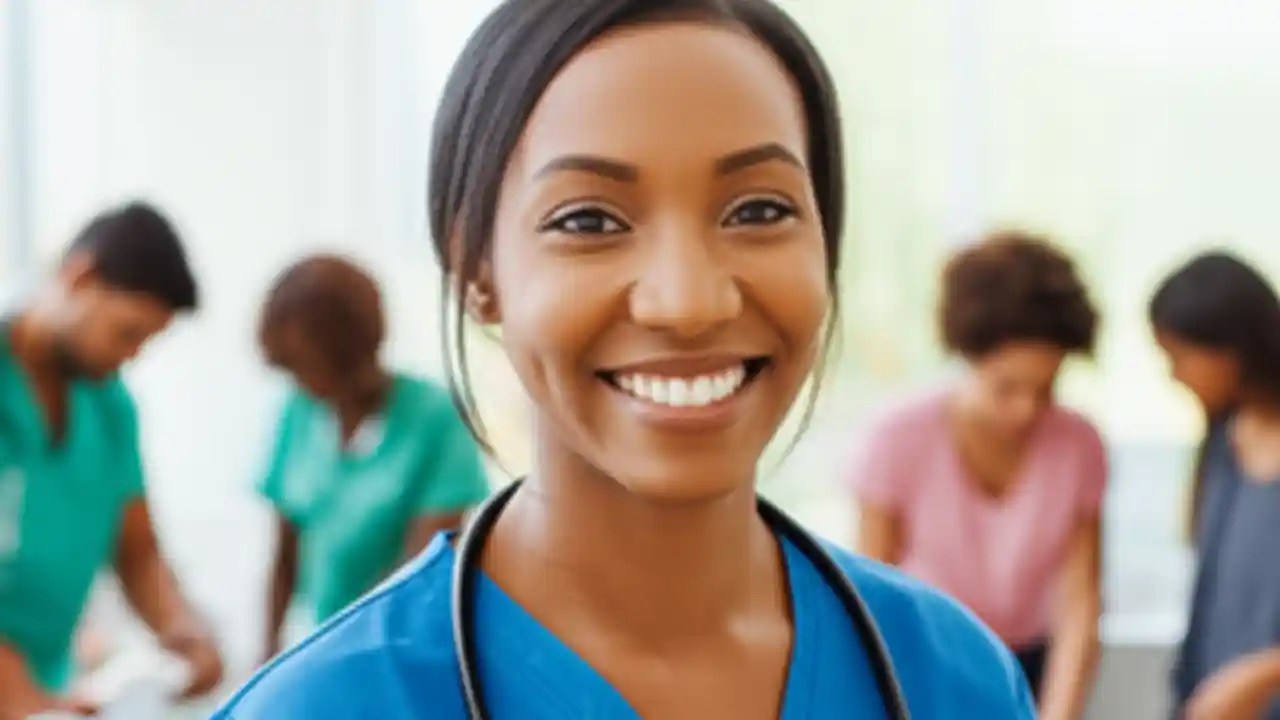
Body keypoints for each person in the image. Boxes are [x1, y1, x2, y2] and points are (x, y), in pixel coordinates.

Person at [214, 1, 1034, 717]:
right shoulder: (323, 707)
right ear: (476, 271)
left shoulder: (955, 680)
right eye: (588, 221)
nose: (687, 301)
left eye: (758, 208)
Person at [850, 233, 1105, 719]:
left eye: (1046, 388)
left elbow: (1079, 605)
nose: (1027, 410)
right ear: (968, 358)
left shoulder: (1079, 445)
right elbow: (869, 599)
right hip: (924, 665)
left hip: (1033, 666)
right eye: (1007, 387)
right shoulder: (897, 439)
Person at [0, 202, 223, 719]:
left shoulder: (110, 407)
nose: (132, 356)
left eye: (146, 341)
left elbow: (137, 550)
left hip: (49, 693)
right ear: (80, 276)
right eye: (127, 332)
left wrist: (182, 629)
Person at [256, 255, 490, 660]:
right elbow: (285, 551)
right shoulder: (299, 411)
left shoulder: (434, 420)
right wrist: (266, 661)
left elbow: (421, 577)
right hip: (320, 643)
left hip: (398, 647)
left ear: (347, 353)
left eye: (305, 367)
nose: (299, 381)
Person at [1152, 252, 1280, 720]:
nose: (1175, 374)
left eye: (1180, 356)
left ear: (1232, 348)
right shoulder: (1223, 442)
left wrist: (1263, 674)